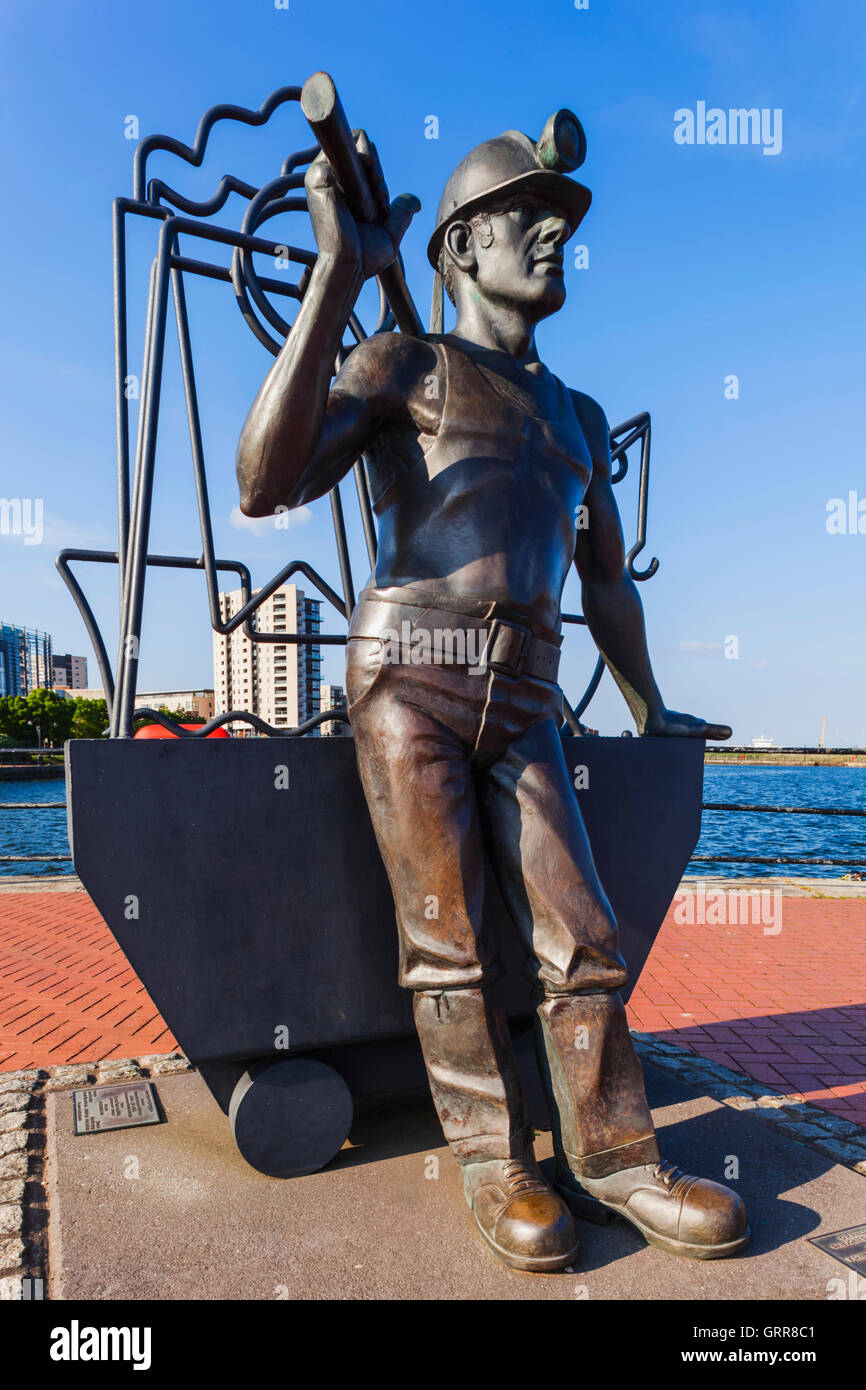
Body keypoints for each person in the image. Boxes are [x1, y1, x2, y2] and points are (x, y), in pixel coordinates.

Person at [236, 112, 749, 1272]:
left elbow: (606, 581)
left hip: (525, 688)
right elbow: (265, 477)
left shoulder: (572, 416)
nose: (553, 237)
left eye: (560, 220)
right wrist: (332, 274)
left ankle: (614, 1157)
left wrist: (647, 701)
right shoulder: (402, 363)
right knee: (448, 936)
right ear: (460, 247)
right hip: (408, 676)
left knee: (582, 934)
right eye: (526, 219)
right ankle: (488, 1156)